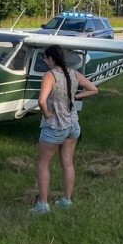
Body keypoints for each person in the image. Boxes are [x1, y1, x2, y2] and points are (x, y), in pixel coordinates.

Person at [32, 44, 99, 213]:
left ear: (51, 59)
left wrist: (46, 114)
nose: (45, 62)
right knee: (68, 163)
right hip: (73, 125)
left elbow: (41, 101)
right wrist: (76, 95)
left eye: (46, 58)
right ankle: (66, 199)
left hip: (55, 126)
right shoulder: (73, 73)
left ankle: (43, 204)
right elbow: (93, 89)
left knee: (43, 164)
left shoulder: (50, 75)